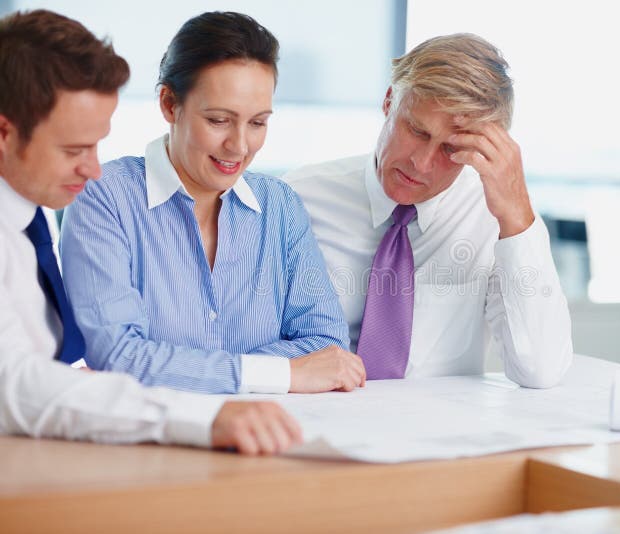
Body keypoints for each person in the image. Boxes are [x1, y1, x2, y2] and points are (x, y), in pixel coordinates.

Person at [0, 9, 300, 455]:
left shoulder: (28, 214)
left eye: (97, 144)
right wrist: (205, 416)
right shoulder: (94, 201)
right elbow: (15, 384)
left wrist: (67, 387)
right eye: (74, 149)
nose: (93, 168)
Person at [61, 12, 366, 395]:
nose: (239, 146)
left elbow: (325, 346)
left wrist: (175, 368)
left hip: (270, 438)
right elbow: (118, 355)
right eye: (220, 120)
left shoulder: (280, 206)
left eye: (257, 123)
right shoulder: (104, 199)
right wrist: (283, 373)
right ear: (170, 105)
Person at [283, 34, 573, 387]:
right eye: (417, 130)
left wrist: (516, 217)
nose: (421, 164)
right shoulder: (300, 197)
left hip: (439, 434)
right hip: (312, 422)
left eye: (450, 148)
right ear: (389, 101)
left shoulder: (493, 218)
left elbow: (540, 370)